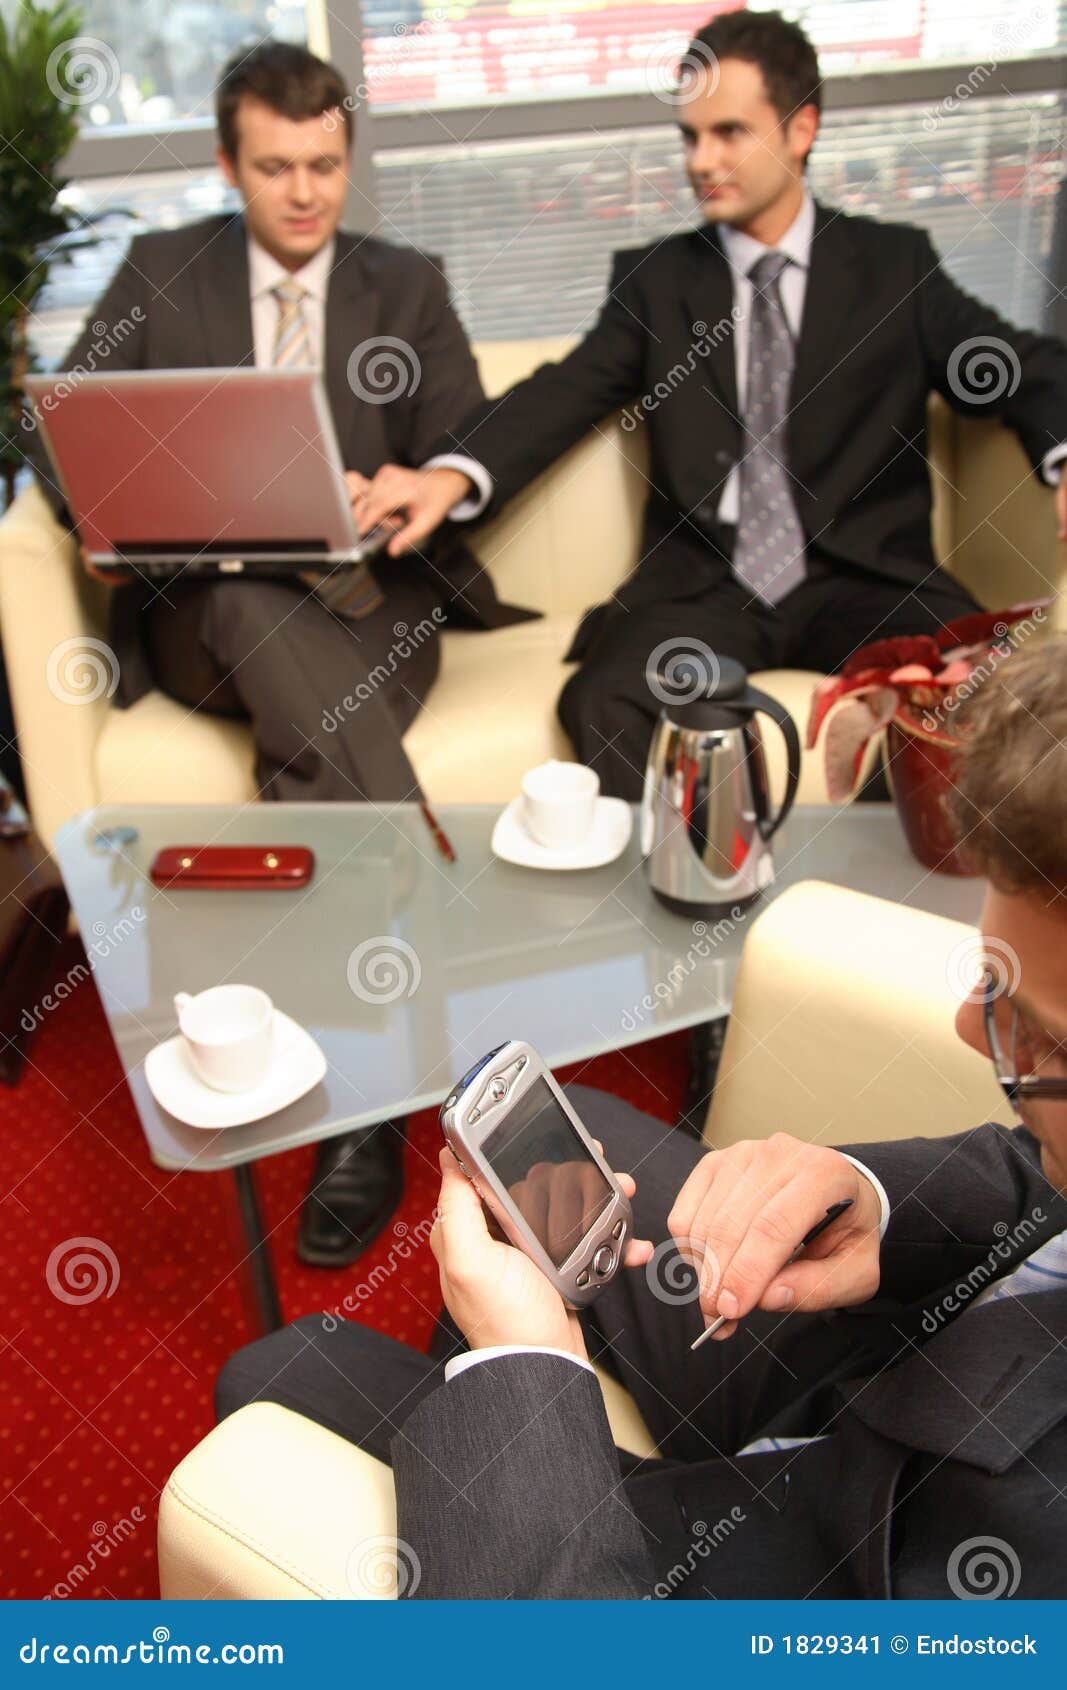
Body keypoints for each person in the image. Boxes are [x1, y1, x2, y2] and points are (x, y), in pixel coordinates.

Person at [218, 634, 1067, 1598]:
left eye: (1046, 1041)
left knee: (279, 1372)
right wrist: (875, 1200)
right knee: (560, 1142)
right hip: (866, 1356)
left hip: (772, 1563)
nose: (967, 1031)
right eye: (989, 982)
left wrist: (527, 1372)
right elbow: (1031, 1182)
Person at [27, 41, 533, 1268]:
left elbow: (463, 434)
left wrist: (415, 480)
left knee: (306, 692)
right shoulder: (163, 272)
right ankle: (408, 1029)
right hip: (208, 617)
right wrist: (109, 519)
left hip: (374, 605)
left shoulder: (405, 284)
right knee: (251, 598)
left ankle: (362, 1095)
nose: (305, 192)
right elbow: (59, 432)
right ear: (226, 162)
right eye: (274, 167)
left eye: (325, 164)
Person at [353, 10, 1067, 801]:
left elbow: (1023, 365)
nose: (701, 160)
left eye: (728, 133)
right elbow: (562, 390)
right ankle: (706, 871)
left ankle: (862, 874)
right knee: (605, 697)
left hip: (865, 578)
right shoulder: (657, 282)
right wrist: (448, 475)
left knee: (985, 687)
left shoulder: (893, 266)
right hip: (705, 587)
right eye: (689, 137)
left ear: (800, 130)